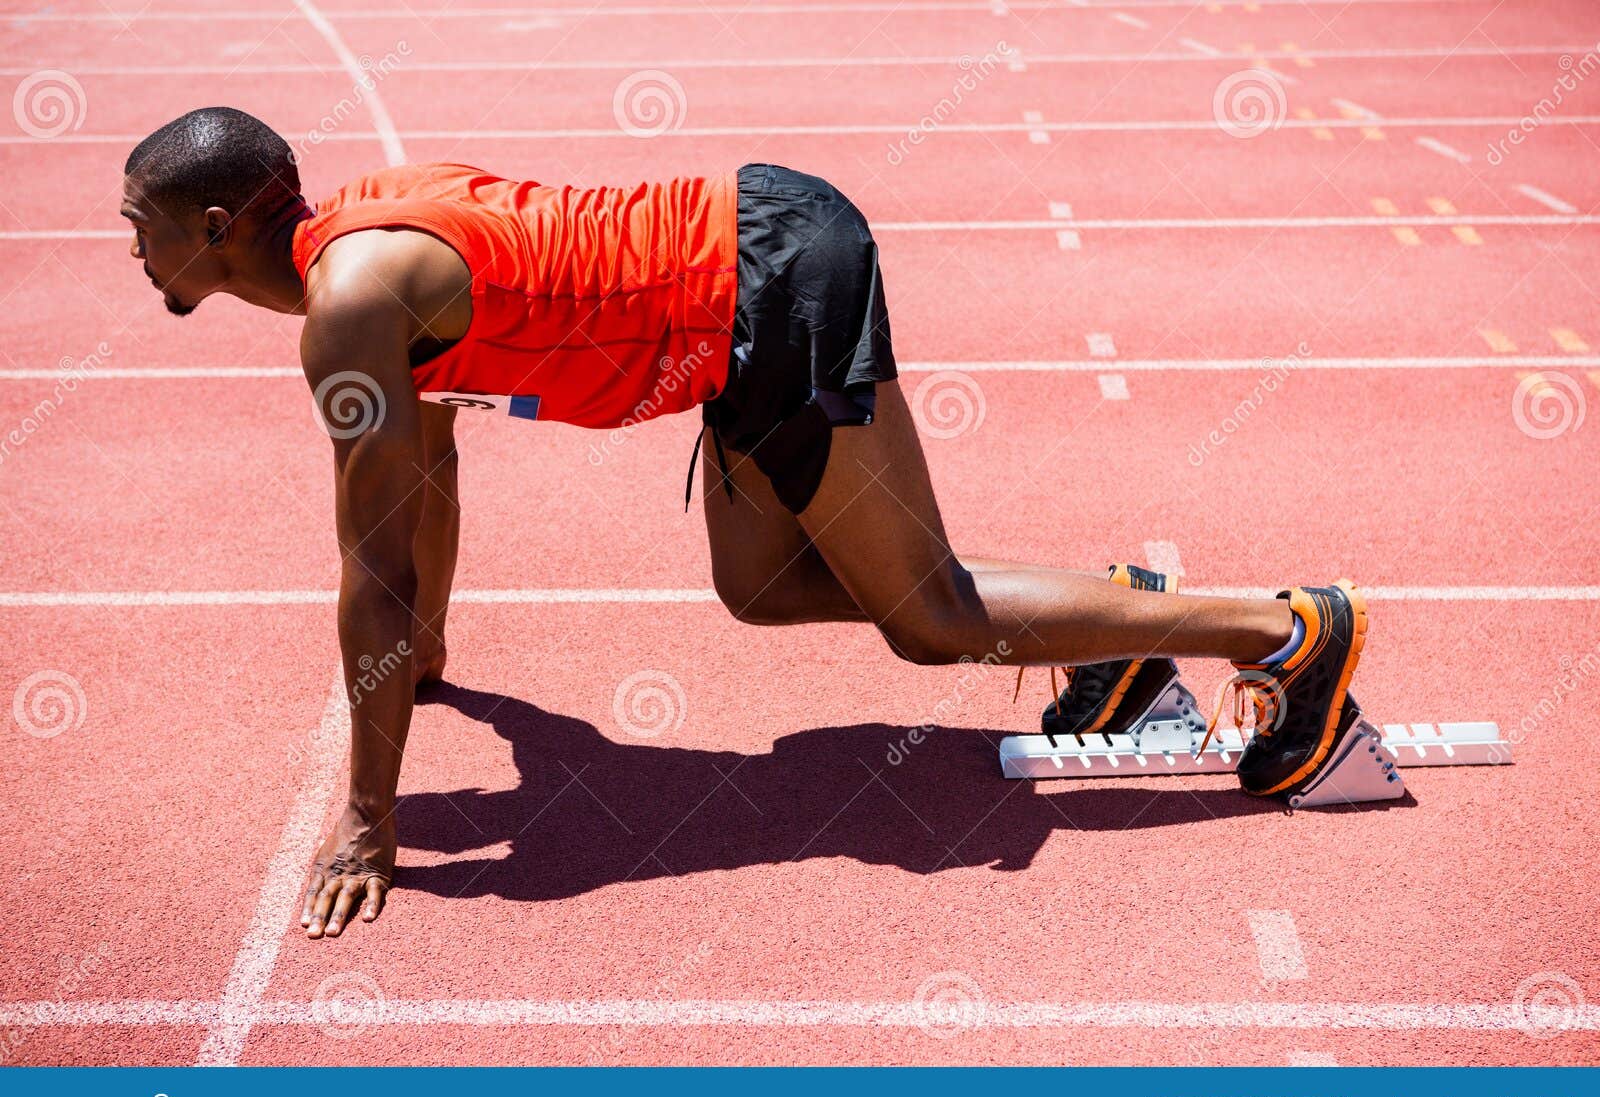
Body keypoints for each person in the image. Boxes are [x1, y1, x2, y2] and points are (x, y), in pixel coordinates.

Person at [120, 107, 1366, 940]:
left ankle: (1284, 630)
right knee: (761, 586)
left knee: (926, 618)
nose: (130, 245)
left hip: (767, 282)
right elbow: (425, 474)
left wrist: (369, 820)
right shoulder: (361, 247)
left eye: (142, 223)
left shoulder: (347, 306)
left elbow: (373, 566)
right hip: (735, 300)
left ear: (219, 228)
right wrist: (437, 662)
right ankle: (1111, 619)